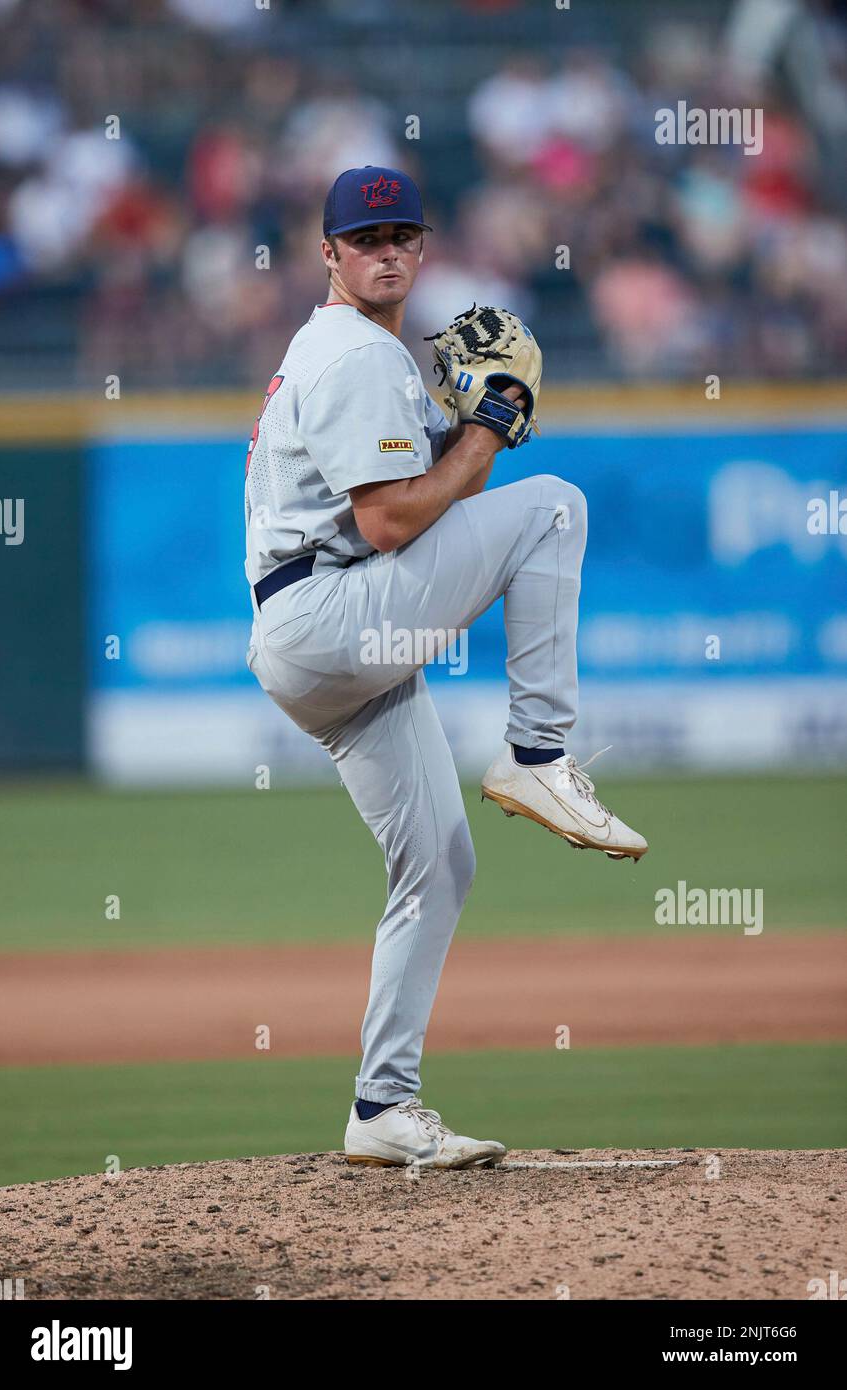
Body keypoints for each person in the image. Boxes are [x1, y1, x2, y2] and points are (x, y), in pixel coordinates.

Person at [244, 165, 646, 1170]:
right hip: (333, 613)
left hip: (323, 642)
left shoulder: (357, 354)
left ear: (420, 250)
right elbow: (389, 522)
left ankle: (381, 1104)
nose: (385, 252)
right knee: (552, 505)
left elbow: (422, 498)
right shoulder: (351, 356)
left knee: (437, 862)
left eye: (402, 236)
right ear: (327, 253)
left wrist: (468, 428)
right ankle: (537, 753)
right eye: (364, 238)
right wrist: (485, 433)